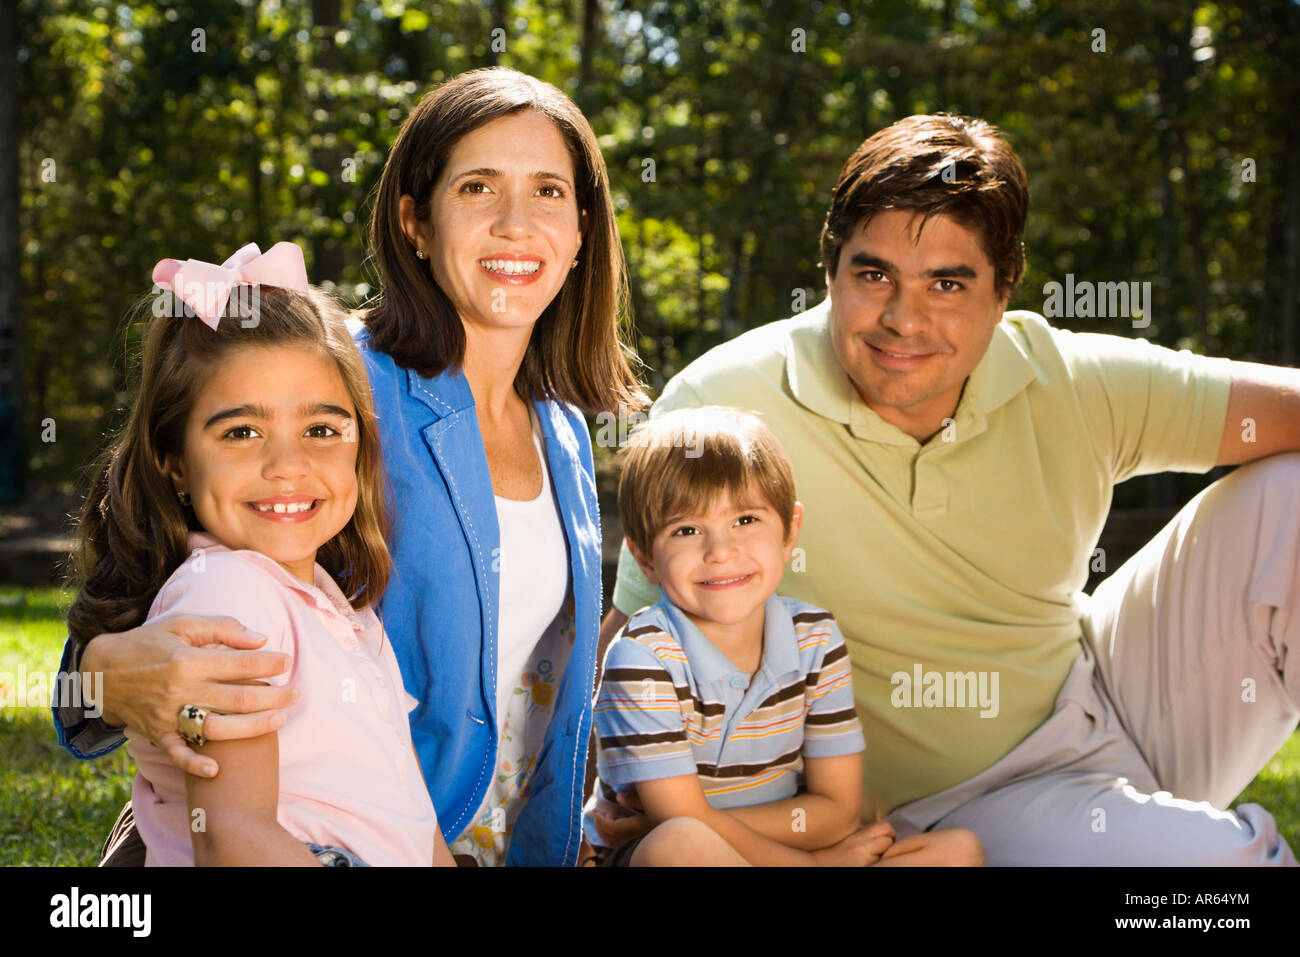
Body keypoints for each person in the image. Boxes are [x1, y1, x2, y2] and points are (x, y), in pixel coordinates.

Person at [599, 114, 1300, 865]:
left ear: (1003, 294)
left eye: (947, 283)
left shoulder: (1073, 379)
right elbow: (635, 634)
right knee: (1223, 884)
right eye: (874, 276)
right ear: (829, 272)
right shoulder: (724, 404)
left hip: (1111, 699)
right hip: (944, 812)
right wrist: (599, 816)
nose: (904, 319)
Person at [53, 68, 646, 866]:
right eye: (478, 187)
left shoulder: (566, 428)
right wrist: (100, 674)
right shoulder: (333, 382)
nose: (516, 223)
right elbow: (136, 598)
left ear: (581, 231)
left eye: (548, 192)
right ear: (415, 222)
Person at [65, 242, 451, 866]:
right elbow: (233, 841)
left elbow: (408, 813)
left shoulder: (338, 606)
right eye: (241, 432)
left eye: (321, 430)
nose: (288, 465)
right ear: (175, 465)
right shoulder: (228, 596)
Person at [581, 407, 984, 866]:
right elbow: (680, 825)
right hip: (664, 857)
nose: (721, 551)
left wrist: (713, 822)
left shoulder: (815, 639)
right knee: (682, 844)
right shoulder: (642, 657)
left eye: (746, 520)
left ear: (790, 531)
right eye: (687, 530)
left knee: (956, 850)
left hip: (784, 850)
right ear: (645, 558)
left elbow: (836, 811)